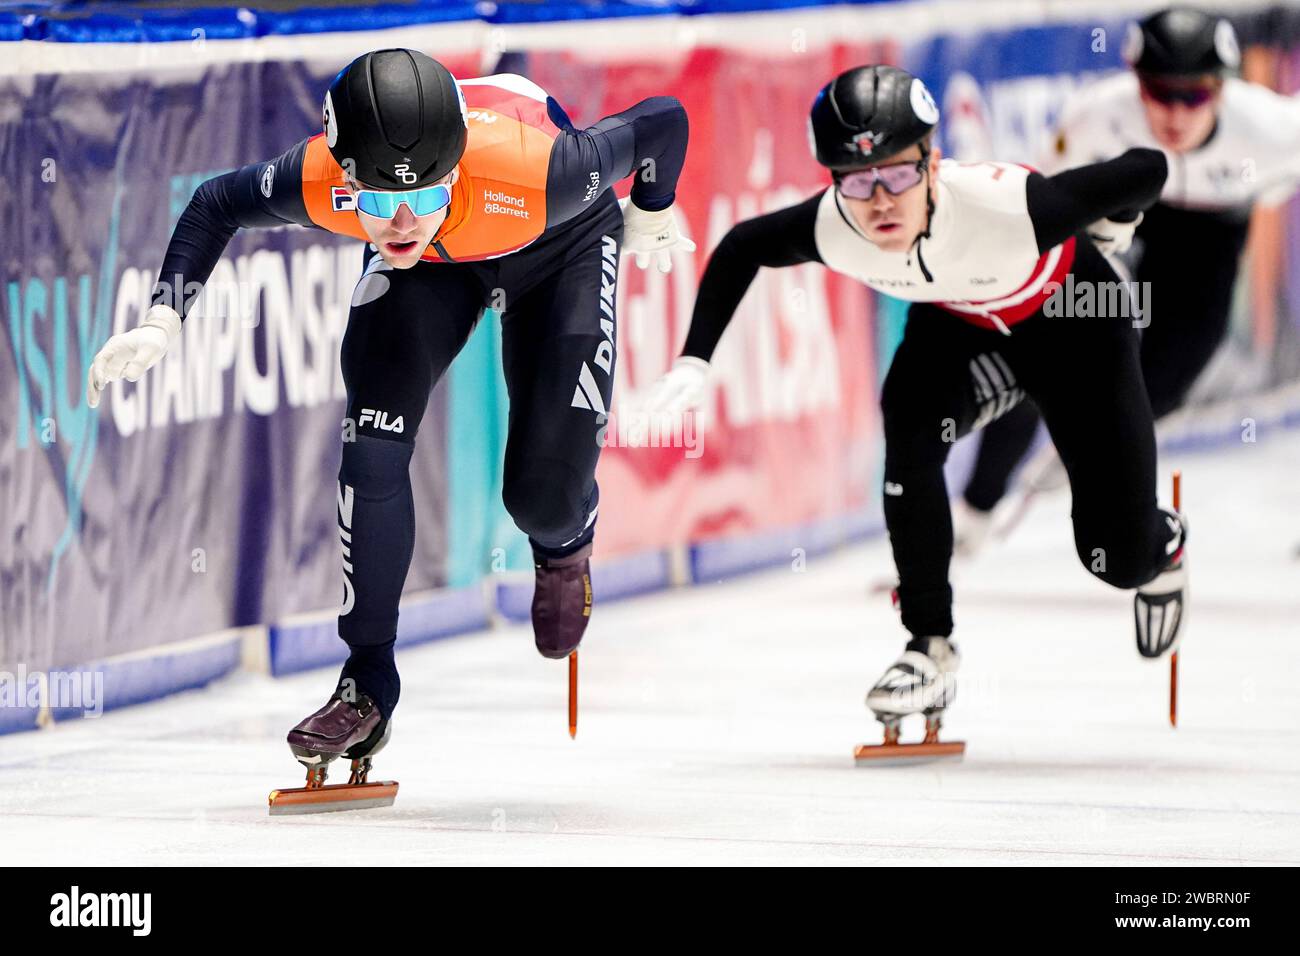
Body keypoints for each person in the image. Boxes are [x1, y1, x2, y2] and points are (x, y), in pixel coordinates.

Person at [85, 49, 692, 793]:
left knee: (541, 496)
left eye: (418, 197)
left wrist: (653, 209)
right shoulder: (330, 179)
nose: (399, 220)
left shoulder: (548, 169)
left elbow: (664, 120)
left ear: (453, 166)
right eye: (374, 203)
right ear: (345, 179)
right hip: (434, 266)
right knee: (370, 450)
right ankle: (366, 683)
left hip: (553, 241)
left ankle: (565, 543)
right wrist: (161, 321)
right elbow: (217, 203)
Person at [644, 64, 1183, 749]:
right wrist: (694, 361)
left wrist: (1114, 230)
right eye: (856, 182)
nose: (879, 203)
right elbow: (741, 248)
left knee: (1115, 559)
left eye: (897, 175)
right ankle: (929, 646)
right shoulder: (835, 225)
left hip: (1074, 327)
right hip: (961, 324)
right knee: (909, 425)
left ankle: (1162, 544)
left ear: (932, 164)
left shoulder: (1012, 207)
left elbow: (1148, 166)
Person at [957, 6, 1300, 552]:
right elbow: (1048, 208)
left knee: (1164, 380)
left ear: (1221, 91)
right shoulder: (1099, 115)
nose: (1175, 114)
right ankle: (974, 512)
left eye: (1194, 96)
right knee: (1042, 348)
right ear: (1135, 82)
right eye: (1159, 92)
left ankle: (1091, 450)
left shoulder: (1272, 130)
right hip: (1126, 217)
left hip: (1211, 238)